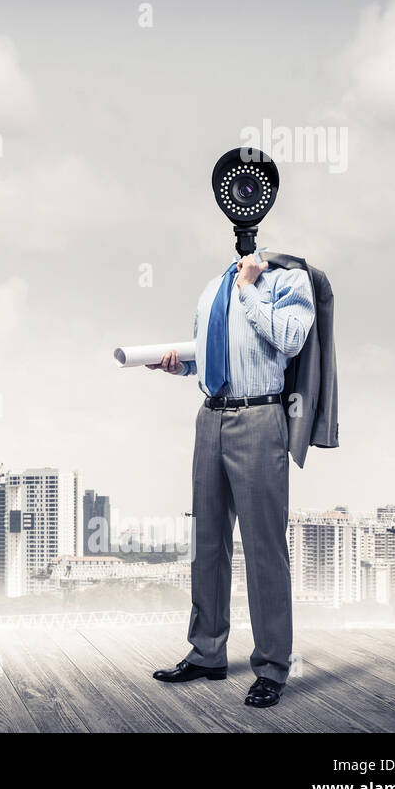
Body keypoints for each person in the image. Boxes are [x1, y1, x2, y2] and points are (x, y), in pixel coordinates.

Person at [147, 251, 314, 708]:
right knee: (207, 542)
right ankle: (207, 653)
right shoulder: (210, 288)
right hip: (210, 418)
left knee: (263, 546)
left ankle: (272, 668)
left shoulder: (288, 280)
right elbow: (209, 356)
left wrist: (248, 288)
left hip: (260, 415)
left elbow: (292, 338)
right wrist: (179, 365)